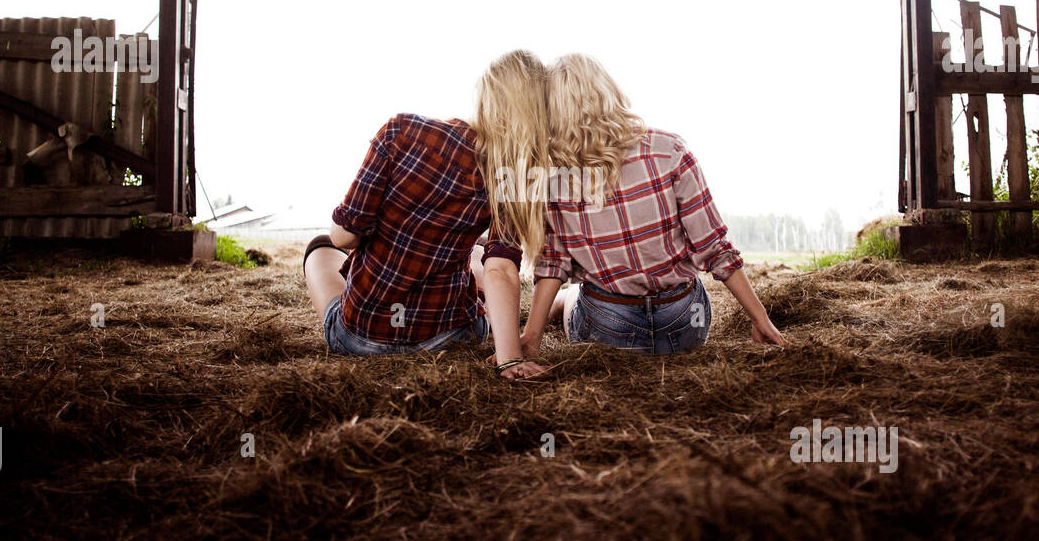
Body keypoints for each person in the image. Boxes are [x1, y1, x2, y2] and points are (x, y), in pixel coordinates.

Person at [302, 50, 550, 379]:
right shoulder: (510, 175)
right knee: (478, 255)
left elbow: (345, 236)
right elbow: (501, 269)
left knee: (321, 247)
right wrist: (509, 358)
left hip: (360, 338)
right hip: (448, 337)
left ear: (485, 93)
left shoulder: (400, 131)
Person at [520, 53, 785, 357]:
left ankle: (562, 303)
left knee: (574, 294)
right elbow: (714, 247)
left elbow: (555, 262)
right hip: (686, 322)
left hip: (608, 327)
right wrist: (760, 318)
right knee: (689, 298)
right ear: (608, 92)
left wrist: (531, 337)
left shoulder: (555, 178)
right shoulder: (668, 150)